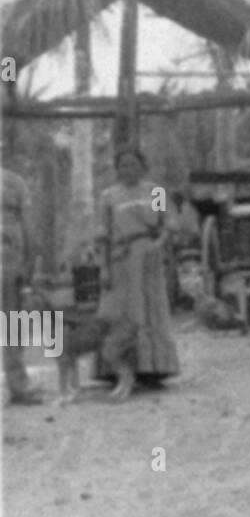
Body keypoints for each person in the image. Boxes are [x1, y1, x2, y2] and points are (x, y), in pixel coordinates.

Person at [97, 147, 180, 401]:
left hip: (148, 258)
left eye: (132, 164)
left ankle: (153, 369)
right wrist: (103, 266)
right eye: (122, 165)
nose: (127, 170)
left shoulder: (154, 192)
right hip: (120, 259)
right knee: (121, 315)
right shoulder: (109, 196)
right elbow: (102, 235)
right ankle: (119, 371)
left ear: (142, 167)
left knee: (150, 310)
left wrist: (159, 243)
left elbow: (168, 223)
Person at [2, 165, 43, 405]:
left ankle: (18, 386)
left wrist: (28, 261)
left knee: (14, 324)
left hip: (10, 260)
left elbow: (27, 225)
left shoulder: (13, 181)